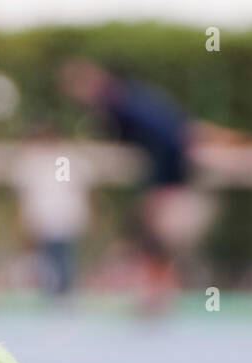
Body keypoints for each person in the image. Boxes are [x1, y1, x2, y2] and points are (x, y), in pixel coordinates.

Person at [56, 58, 217, 312]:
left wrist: (160, 185)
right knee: (151, 240)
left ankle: (157, 296)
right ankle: (155, 295)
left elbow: (170, 139)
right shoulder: (126, 101)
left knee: (155, 240)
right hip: (170, 181)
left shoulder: (126, 104)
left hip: (171, 184)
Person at [13, 123, 91, 297]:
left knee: (58, 264)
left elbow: (64, 191)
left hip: (58, 219)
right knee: (51, 265)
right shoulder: (56, 160)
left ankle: (60, 296)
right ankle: (57, 295)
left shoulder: (54, 161)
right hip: (52, 219)